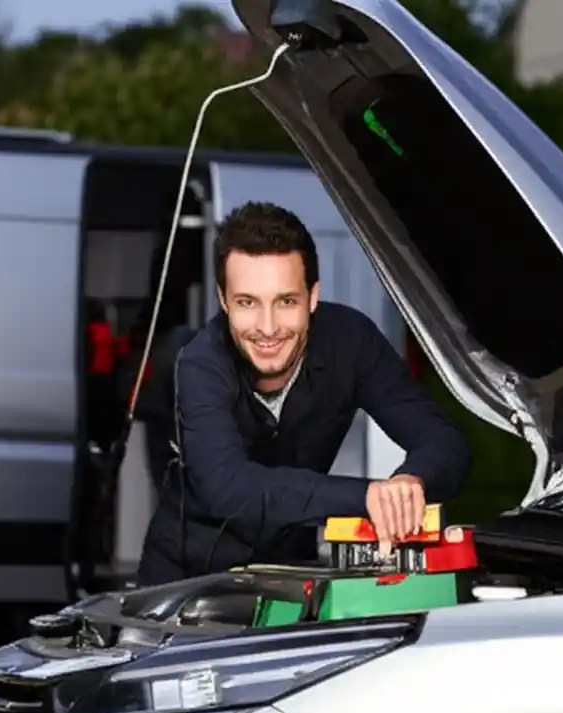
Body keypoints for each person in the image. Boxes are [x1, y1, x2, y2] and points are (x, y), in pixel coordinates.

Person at [136, 201, 472, 586]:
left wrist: (411, 483)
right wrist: (368, 498)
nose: (267, 327)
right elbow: (229, 489)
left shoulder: (352, 342)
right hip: (183, 577)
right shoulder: (199, 364)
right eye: (248, 302)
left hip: (289, 573)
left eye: (286, 302)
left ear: (313, 296)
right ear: (224, 301)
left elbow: (445, 442)